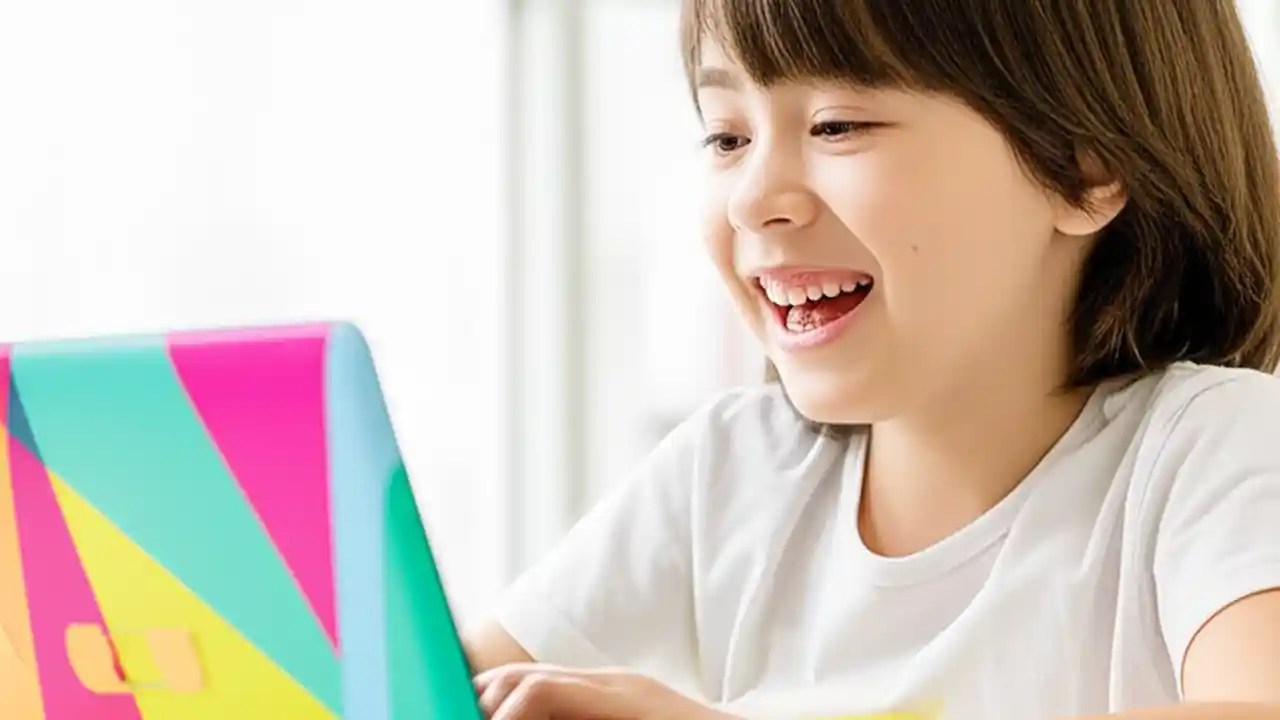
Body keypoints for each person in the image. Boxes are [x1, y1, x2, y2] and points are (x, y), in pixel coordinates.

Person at [465, 1, 1280, 718]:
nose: (753, 197)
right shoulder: (728, 474)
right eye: (727, 136)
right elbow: (418, 688)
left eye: (836, 126)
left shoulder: (1212, 449)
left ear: (1080, 167)